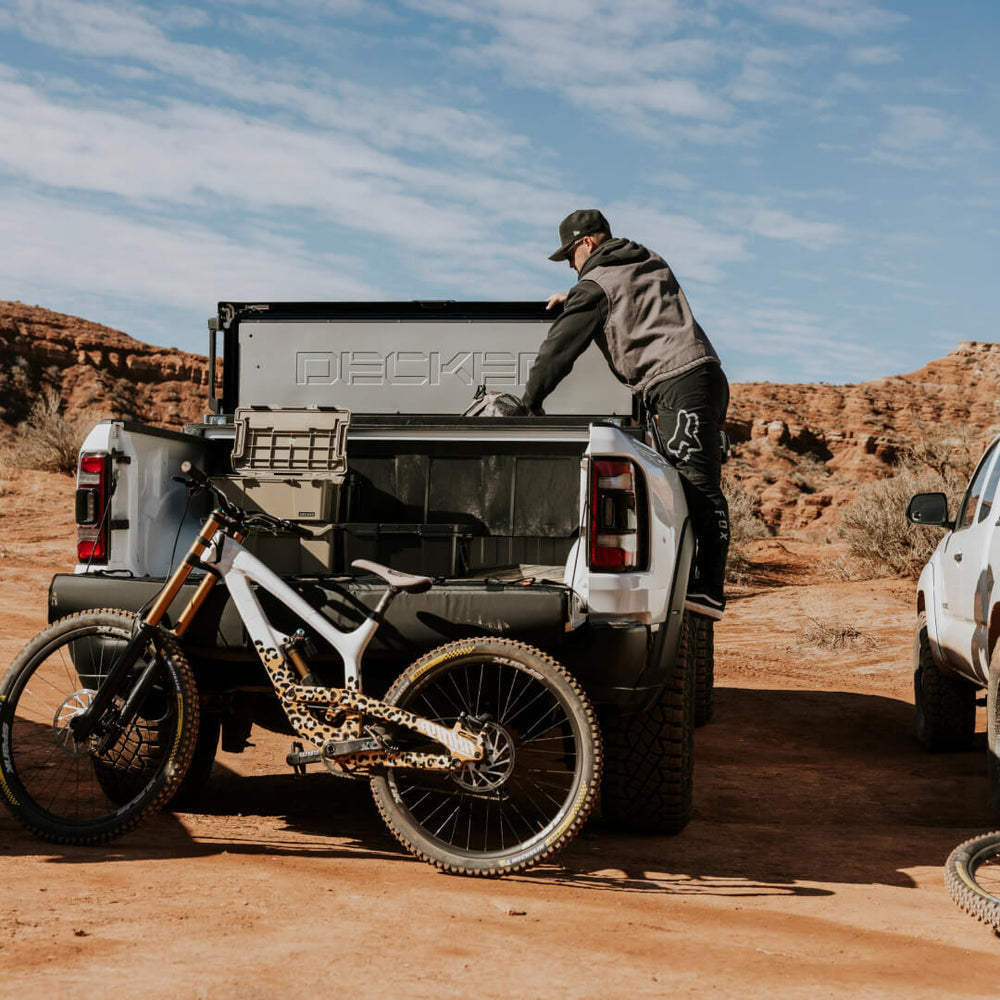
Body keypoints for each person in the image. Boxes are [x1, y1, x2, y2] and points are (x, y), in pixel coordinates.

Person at [521, 209, 730, 621]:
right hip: (702, 376)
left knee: (698, 483)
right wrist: (578, 293)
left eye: (569, 256)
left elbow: (558, 350)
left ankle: (710, 589)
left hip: (677, 382)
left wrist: (530, 401)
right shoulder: (647, 259)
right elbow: (627, 296)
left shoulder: (597, 286)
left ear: (587, 243)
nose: (570, 265)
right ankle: (695, 580)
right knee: (683, 484)